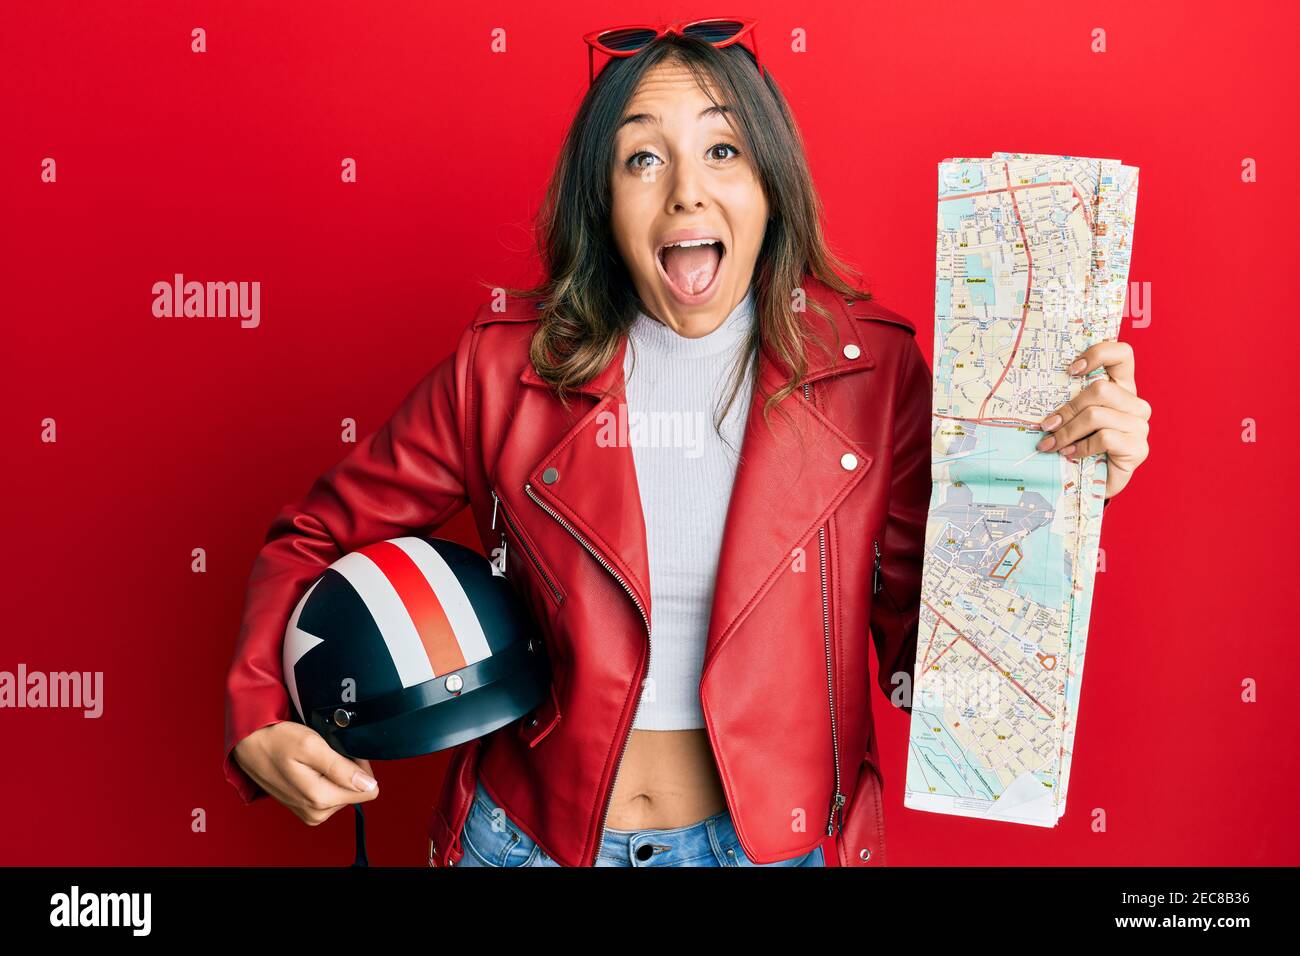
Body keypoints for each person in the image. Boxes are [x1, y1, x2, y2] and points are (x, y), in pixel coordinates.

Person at [223, 21, 1153, 867]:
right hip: (527, 845)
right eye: (641, 159)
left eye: (722, 149)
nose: (686, 192)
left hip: (772, 853)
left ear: (769, 183)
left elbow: (933, 666)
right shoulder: (502, 369)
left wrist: (1052, 500)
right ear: (603, 196)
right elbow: (313, 536)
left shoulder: (876, 377)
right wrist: (261, 714)